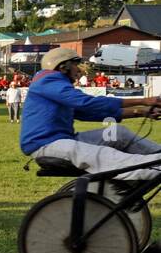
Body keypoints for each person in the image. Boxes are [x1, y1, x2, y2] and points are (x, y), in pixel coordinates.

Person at [21, 45, 161, 191]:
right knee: (104, 155)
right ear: (63, 67)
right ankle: (154, 166)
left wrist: (141, 112)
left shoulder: (55, 85)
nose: (79, 70)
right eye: (75, 65)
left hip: (61, 141)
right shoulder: (48, 81)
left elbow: (92, 113)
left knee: (118, 133)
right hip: (45, 144)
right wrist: (143, 100)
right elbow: (87, 103)